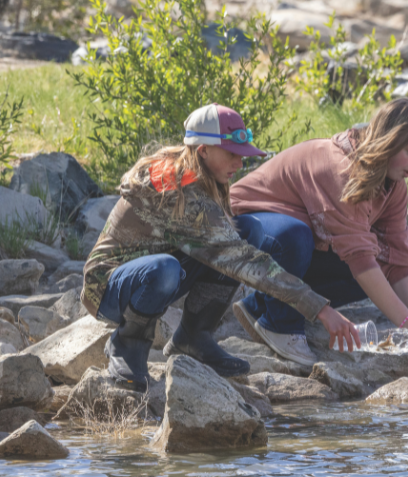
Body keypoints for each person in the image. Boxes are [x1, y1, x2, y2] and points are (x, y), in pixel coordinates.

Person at [81, 103, 361, 392]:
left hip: (152, 273)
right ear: (203, 150)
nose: (239, 164)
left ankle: (193, 337)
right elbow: (243, 261)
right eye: (232, 155)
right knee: (169, 267)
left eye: (242, 156)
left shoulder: (201, 174)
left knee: (245, 231)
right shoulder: (177, 190)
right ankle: (128, 343)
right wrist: (322, 309)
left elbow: (228, 247)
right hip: (106, 289)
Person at [230, 98, 408, 365]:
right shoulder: (341, 170)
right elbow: (358, 255)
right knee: (295, 236)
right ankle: (279, 324)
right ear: (388, 141)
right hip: (242, 226)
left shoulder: (394, 187)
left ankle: (259, 304)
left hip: (288, 243)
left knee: (380, 259)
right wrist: (407, 320)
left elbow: (398, 257)